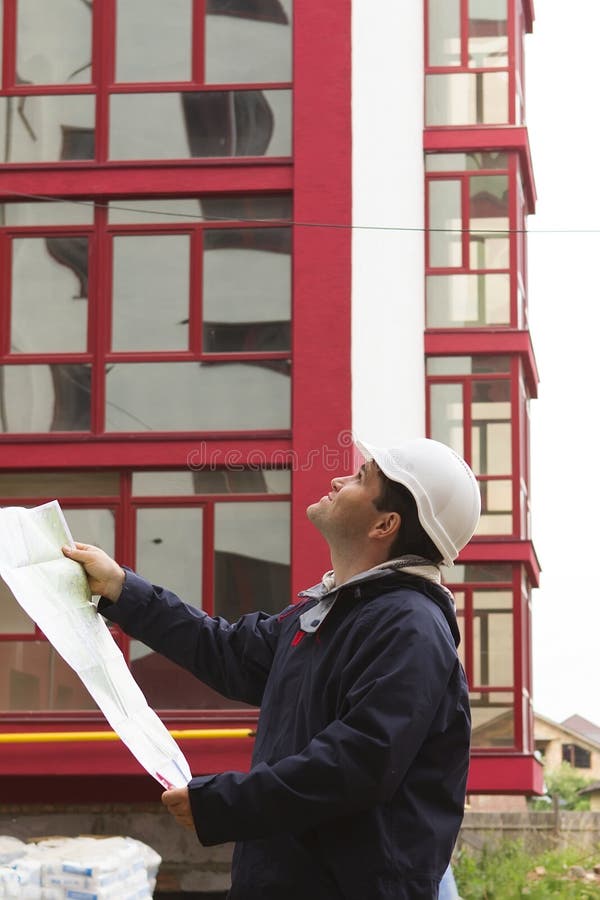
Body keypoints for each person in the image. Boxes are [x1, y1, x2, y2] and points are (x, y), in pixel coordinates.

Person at [64, 437, 480, 900]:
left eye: (361, 477)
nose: (338, 479)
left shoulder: (410, 627)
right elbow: (226, 652)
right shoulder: (331, 613)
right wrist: (121, 588)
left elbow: (358, 763)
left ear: (385, 524)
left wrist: (223, 803)